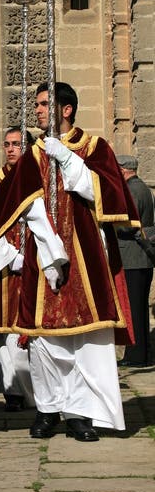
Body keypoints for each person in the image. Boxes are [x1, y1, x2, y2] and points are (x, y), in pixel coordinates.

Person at [0, 81, 140, 443]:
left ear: (65, 109)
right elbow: (17, 204)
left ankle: (82, 414)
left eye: (42, 105)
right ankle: (49, 408)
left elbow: (111, 196)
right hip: (45, 258)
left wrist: (67, 159)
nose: (36, 111)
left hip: (87, 258)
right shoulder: (34, 154)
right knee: (45, 343)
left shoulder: (94, 147)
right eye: (36, 105)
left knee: (87, 341)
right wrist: (50, 250)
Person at [0, 127, 34, 411]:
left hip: (35, 267)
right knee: (2, 333)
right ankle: (11, 391)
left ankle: (38, 394)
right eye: (8, 144)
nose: (11, 149)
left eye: (17, 144)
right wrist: (12, 259)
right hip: (2, 270)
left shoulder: (38, 180)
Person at [116, 154, 154, 367]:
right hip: (141, 258)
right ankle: (140, 354)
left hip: (133, 256)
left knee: (134, 309)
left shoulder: (132, 190)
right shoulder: (144, 189)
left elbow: (128, 224)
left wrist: (110, 224)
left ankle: (136, 356)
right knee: (138, 308)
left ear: (123, 170)